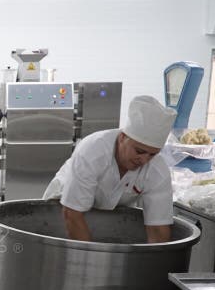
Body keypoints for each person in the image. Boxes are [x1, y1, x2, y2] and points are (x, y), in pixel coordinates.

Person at [43, 95, 177, 243]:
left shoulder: (157, 170)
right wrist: (91, 260)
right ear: (122, 138)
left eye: (152, 154)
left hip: (109, 219)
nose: (144, 160)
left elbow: (158, 230)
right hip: (63, 209)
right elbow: (72, 214)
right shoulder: (93, 151)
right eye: (139, 151)